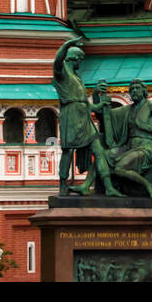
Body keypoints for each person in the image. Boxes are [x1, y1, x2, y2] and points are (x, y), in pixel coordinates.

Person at [52, 38, 116, 196]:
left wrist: (96, 97)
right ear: (73, 58)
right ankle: (62, 185)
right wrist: (66, 45)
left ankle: (109, 187)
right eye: (80, 59)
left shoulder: (77, 77)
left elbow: (88, 106)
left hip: (84, 116)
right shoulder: (62, 73)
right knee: (68, 150)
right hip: (70, 115)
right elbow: (57, 61)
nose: (81, 62)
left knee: (98, 150)